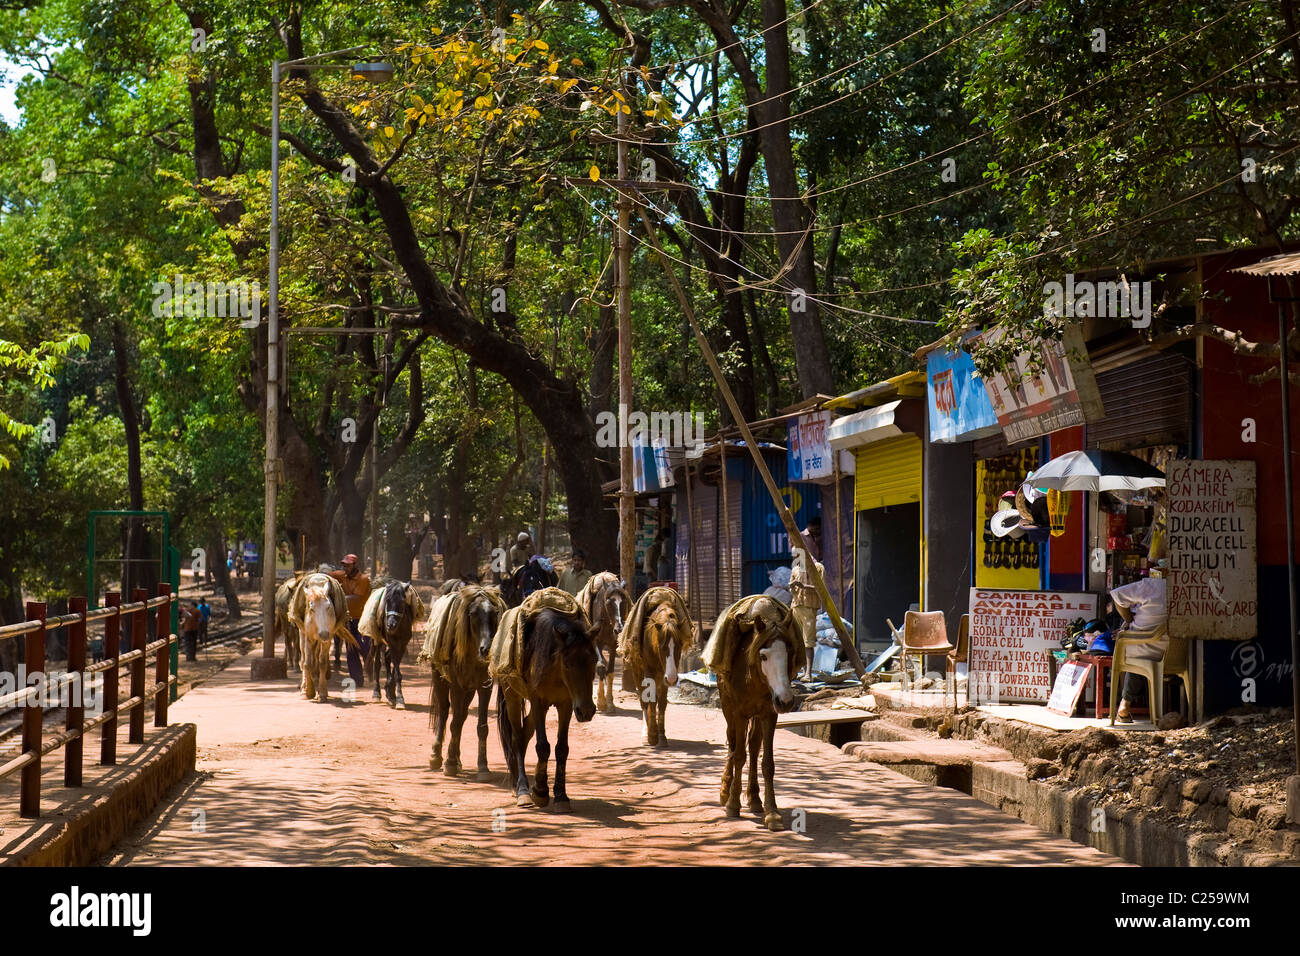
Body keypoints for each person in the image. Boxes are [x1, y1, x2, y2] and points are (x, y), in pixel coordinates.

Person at [1109, 575, 1168, 723]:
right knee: (1138, 650)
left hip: (1144, 650)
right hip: (1178, 653)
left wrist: (1128, 621)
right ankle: (1126, 704)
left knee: (1132, 652)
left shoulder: (1153, 585)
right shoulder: (1189, 587)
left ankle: (1125, 703)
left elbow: (1117, 595)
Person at [329, 554, 373, 688]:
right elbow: (327, 575)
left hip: (362, 619)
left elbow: (356, 597)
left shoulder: (363, 579)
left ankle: (371, 670)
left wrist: (339, 600)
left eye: (348, 565)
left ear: (355, 565)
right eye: (344, 565)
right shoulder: (341, 575)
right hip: (348, 619)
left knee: (364, 647)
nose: (345, 568)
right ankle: (357, 679)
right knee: (351, 649)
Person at [789, 556, 824, 681]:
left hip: (809, 607)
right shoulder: (795, 570)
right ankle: (801, 671)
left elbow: (820, 588)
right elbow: (792, 590)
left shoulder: (818, 568)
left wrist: (803, 586)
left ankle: (808, 673)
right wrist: (793, 587)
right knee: (797, 641)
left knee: (808, 642)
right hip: (796, 607)